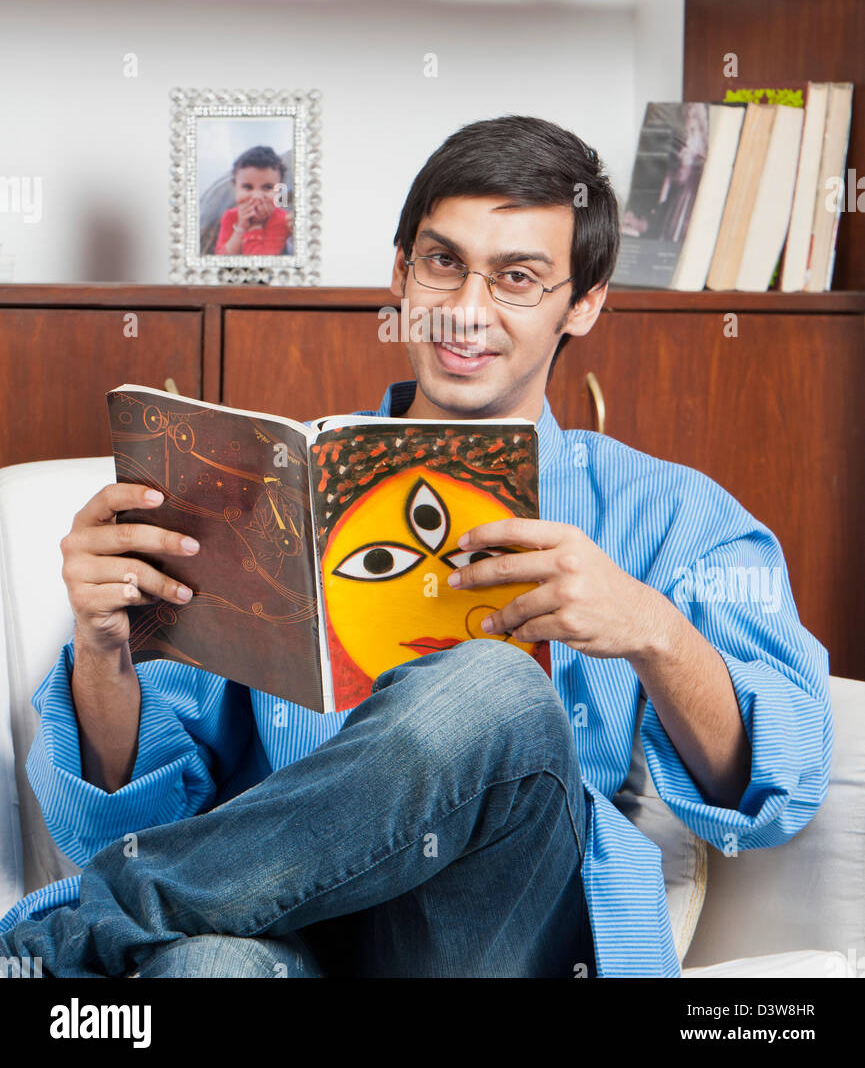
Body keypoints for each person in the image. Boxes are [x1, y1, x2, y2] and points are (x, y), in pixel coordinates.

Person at [0, 115, 832, 979]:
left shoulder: (674, 514)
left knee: (494, 682)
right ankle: (118, 930)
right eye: (443, 264)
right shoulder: (264, 491)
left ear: (582, 304)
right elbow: (120, 822)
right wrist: (104, 652)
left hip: (500, 940)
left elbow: (783, 785)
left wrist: (653, 630)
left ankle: (65, 942)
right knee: (207, 970)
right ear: (400, 273)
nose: (466, 313)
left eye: (517, 278)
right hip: (291, 936)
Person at [213, 145, 292, 257]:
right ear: (235, 188)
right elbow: (221, 257)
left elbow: (260, 260)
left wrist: (256, 225)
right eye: (248, 187)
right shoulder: (230, 216)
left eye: (267, 187)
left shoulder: (282, 220)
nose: (257, 196)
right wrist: (241, 228)